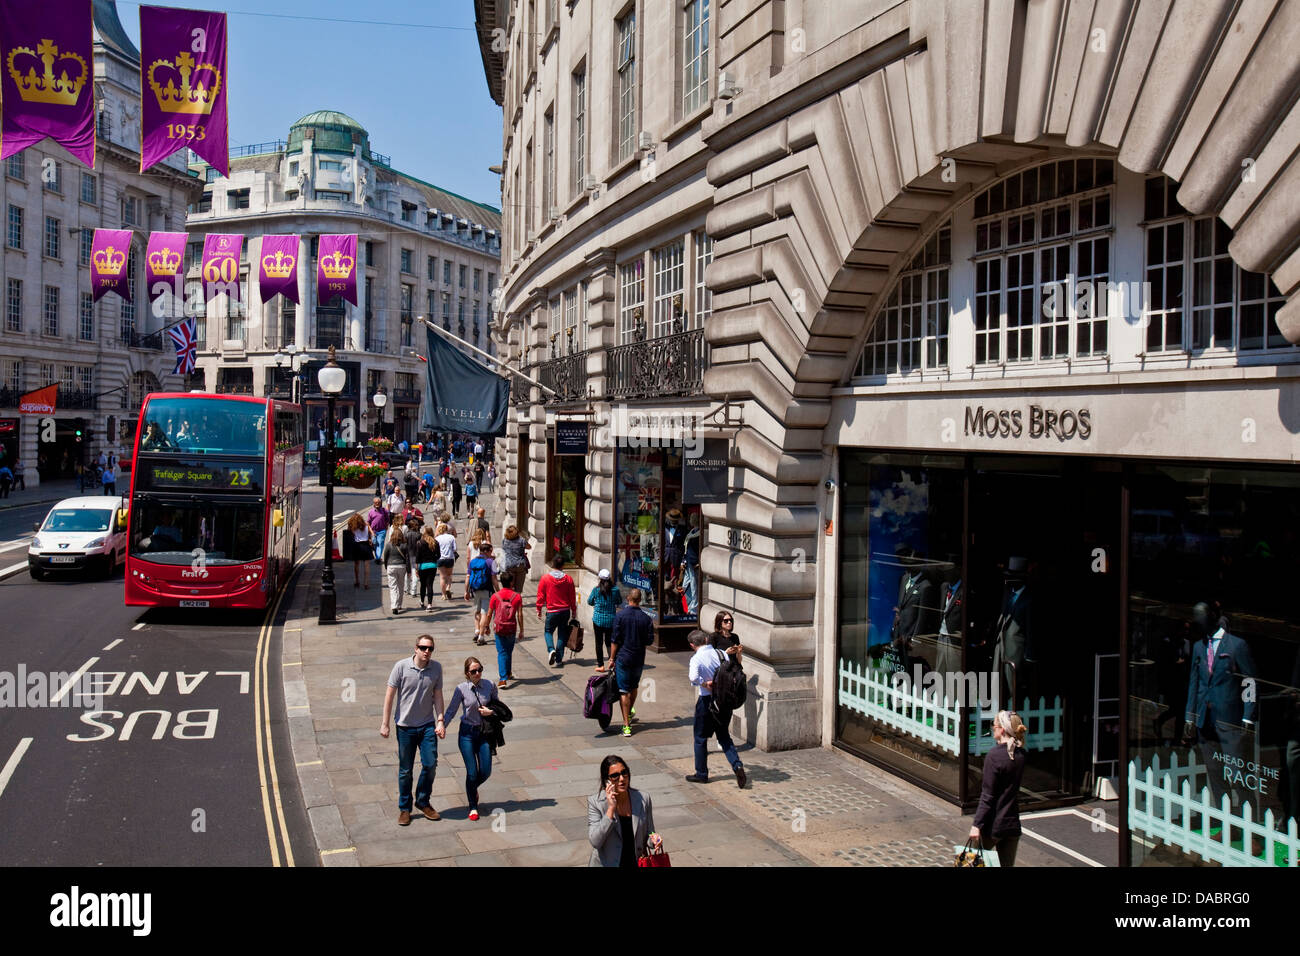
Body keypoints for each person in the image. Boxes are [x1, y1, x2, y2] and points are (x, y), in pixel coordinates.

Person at [380, 635, 446, 825]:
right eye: (423, 647)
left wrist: (440, 720)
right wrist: (385, 723)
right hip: (405, 726)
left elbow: (438, 696)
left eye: (430, 648)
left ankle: (423, 801)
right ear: (415, 648)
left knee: (430, 763)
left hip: (427, 725)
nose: (427, 651)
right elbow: (389, 696)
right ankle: (405, 808)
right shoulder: (401, 667)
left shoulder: (436, 668)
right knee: (405, 770)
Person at [683, 629, 747, 787]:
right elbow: (733, 668)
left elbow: (692, 677)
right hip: (724, 700)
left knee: (700, 738)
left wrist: (704, 683)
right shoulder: (721, 654)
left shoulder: (696, 659)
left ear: (692, 645)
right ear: (706, 639)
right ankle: (737, 765)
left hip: (706, 701)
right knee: (724, 736)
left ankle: (701, 773)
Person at [969, 710, 1028, 866]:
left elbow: (988, 796)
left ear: (1001, 729)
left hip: (992, 825)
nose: (992, 728)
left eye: (993, 725)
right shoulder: (1021, 755)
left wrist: (976, 825)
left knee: (972, 863)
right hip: (1012, 825)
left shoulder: (994, 756)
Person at [443, 657, 498, 821]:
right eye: (473, 671)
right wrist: (441, 726)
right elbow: (451, 711)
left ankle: (471, 788)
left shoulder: (490, 685)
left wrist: (491, 712)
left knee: (486, 771)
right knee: (472, 772)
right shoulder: (461, 689)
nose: (478, 673)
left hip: (484, 733)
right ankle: (473, 805)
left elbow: (498, 708)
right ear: (467, 673)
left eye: (480, 669)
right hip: (467, 733)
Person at [587, 755, 659, 867]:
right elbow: (595, 841)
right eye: (615, 776)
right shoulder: (596, 803)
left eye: (624, 773)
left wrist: (655, 840)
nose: (621, 779)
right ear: (607, 780)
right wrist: (611, 809)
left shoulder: (643, 799)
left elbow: (650, 833)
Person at [600, 588, 653, 737]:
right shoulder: (646, 618)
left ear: (628, 598)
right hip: (638, 657)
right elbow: (649, 640)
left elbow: (615, 640)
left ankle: (626, 725)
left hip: (623, 657)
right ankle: (629, 713)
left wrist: (611, 659)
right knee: (634, 687)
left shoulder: (620, 616)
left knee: (624, 690)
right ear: (640, 599)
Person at [536, 553, 577, 668]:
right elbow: (572, 596)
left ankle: (551, 649)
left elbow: (540, 595)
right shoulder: (568, 579)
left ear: (553, 564)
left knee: (548, 631)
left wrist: (538, 608)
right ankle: (559, 659)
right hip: (565, 611)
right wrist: (573, 610)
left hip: (552, 611)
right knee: (562, 634)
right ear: (563, 565)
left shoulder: (545, 578)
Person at [489, 573, 524, 687]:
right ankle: (507, 673)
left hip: (499, 628)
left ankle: (503, 678)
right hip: (511, 627)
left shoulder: (495, 596)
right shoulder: (517, 596)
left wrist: (485, 627)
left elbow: (489, 614)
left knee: (502, 652)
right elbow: (520, 615)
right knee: (508, 651)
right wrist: (522, 630)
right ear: (511, 582)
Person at [588, 569, 623, 668]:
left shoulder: (596, 590)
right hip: (611, 620)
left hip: (598, 620)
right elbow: (619, 601)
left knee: (598, 643)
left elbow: (589, 601)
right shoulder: (615, 590)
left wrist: (596, 603)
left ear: (600, 579)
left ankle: (601, 665)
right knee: (609, 641)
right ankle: (612, 661)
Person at [466, 540, 499, 645]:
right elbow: (494, 579)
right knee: (484, 613)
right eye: (491, 551)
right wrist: (498, 591)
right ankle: (481, 636)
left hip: (475, 590)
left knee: (477, 611)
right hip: (487, 590)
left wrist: (466, 591)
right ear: (489, 551)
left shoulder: (473, 561)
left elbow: (468, 577)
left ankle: (476, 631)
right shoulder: (491, 562)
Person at [381, 514, 411, 615]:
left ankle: (394, 605)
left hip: (391, 566)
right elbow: (407, 559)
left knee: (393, 587)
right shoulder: (404, 545)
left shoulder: (389, 545)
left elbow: (385, 556)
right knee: (401, 586)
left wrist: (386, 565)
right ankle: (399, 604)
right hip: (402, 566)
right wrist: (409, 570)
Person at [416, 525, 440, 610]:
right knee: (430, 585)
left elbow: (417, 557)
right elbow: (439, 555)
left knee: (423, 585)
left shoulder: (420, 542)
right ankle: (430, 604)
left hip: (423, 566)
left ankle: (422, 601)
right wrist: (433, 559)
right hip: (432, 566)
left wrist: (416, 568)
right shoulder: (435, 542)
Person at [346, 512, 373, 588]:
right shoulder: (367, 526)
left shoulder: (352, 527)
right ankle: (366, 583)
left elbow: (349, 533)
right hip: (366, 545)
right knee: (366, 564)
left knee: (356, 564)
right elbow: (370, 535)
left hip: (357, 546)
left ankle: (357, 581)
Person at [435, 520, 458, 601]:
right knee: (449, 575)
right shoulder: (451, 537)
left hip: (440, 559)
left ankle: (443, 594)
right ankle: (448, 587)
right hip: (450, 558)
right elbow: (455, 549)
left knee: (442, 577)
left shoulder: (437, 538)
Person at [403, 516, 424, 601]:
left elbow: (404, 546)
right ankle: (413, 591)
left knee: (407, 572)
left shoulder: (406, 535)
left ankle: (406, 589)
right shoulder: (419, 535)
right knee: (415, 573)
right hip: (417, 556)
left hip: (408, 555)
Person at [367, 497, 389, 566]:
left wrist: (385, 529)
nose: (377, 504)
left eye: (378, 502)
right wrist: (371, 532)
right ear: (373, 503)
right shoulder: (371, 512)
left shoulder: (384, 511)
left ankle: (378, 558)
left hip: (382, 531)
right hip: (373, 531)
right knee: (374, 544)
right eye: (376, 502)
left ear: (381, 503)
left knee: (380, 544)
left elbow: (387, 520)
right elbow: (368, 523)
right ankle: (377, 556)